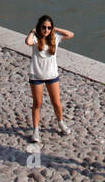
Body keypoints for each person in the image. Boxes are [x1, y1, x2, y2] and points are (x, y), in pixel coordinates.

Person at [25, 14, 74, 142]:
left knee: (56, 102)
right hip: (36, 76)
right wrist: (32, 31)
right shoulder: (35, 39)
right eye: (43, 27)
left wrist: (55, 29)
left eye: (48, 27)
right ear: (39, 27)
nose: (46, 30)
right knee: (37, 103)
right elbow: (28, 42)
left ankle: (61, 122)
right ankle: (35, 130)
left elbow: (70, 34)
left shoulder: (55, 38)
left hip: (52, 76)